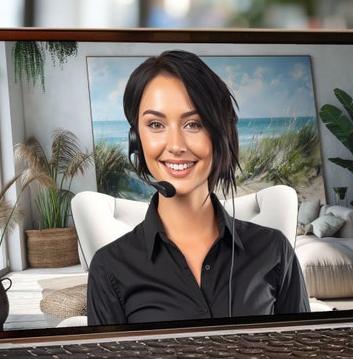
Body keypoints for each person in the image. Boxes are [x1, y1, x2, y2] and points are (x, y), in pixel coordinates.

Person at [86, 49, 310, 325]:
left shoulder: (274, 251)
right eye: (155, 124)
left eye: (193, 124)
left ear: (220, 135)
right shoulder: (110, 268)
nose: (176, 145)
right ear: (136, 139)